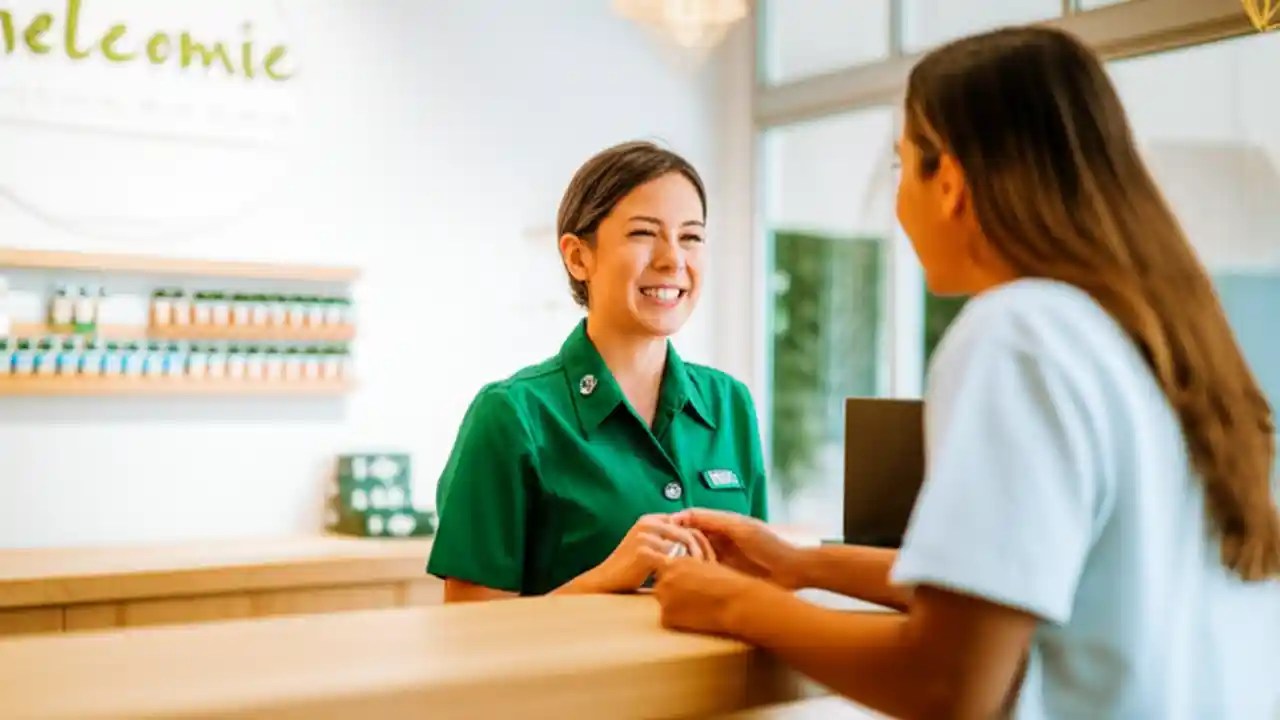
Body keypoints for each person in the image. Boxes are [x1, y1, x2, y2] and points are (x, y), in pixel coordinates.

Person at [646, 26, 1280, 720]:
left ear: (947, 180)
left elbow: (947, 682)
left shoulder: (1021, 332)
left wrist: (738, 605)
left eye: (900, 167)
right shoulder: (1159, 337)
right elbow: (1007, 591)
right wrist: (799, 564)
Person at [426, 140, 769, 602]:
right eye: (644, 233)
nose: (673, 259)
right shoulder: (511, 416)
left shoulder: (731, 404)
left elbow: (761, 585)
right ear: (577, 256)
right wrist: (608, 577)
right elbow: (470, 634)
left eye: (691, 236)